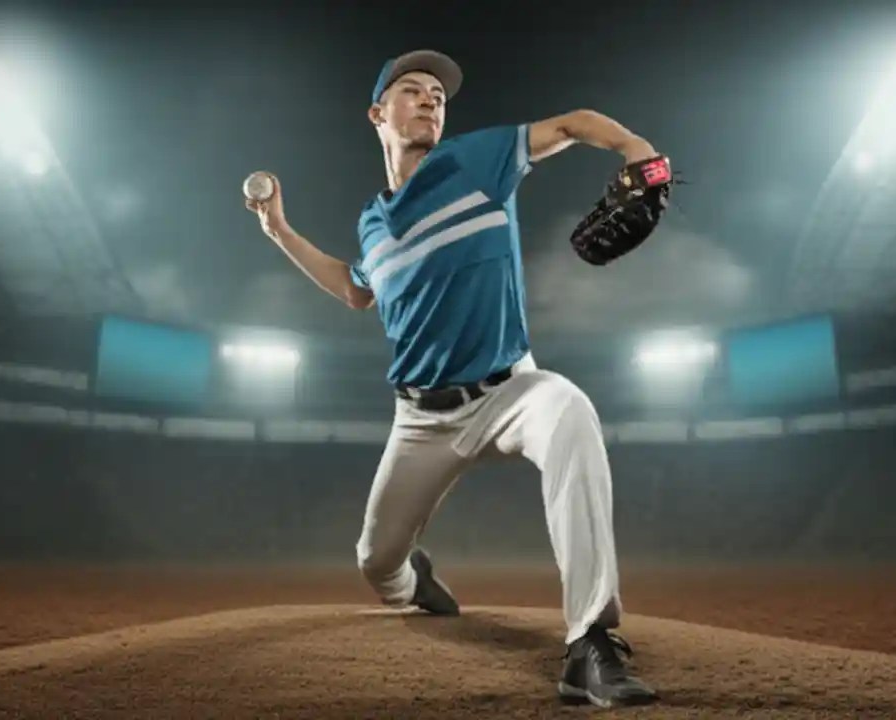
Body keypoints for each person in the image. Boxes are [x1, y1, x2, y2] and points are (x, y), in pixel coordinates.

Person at [246, 49, 659, 708]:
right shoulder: (372, 223)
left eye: (438, 93)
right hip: (421, 422)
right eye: (412, 90)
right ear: (378, 114)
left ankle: (590, 643)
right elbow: (357, 291)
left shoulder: (476, 161)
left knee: (571, 408)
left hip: (509, 391)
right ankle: (414, 581)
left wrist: (638, 150)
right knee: (375, 561)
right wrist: (279, 232)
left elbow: (576, 123)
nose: (431, 98)